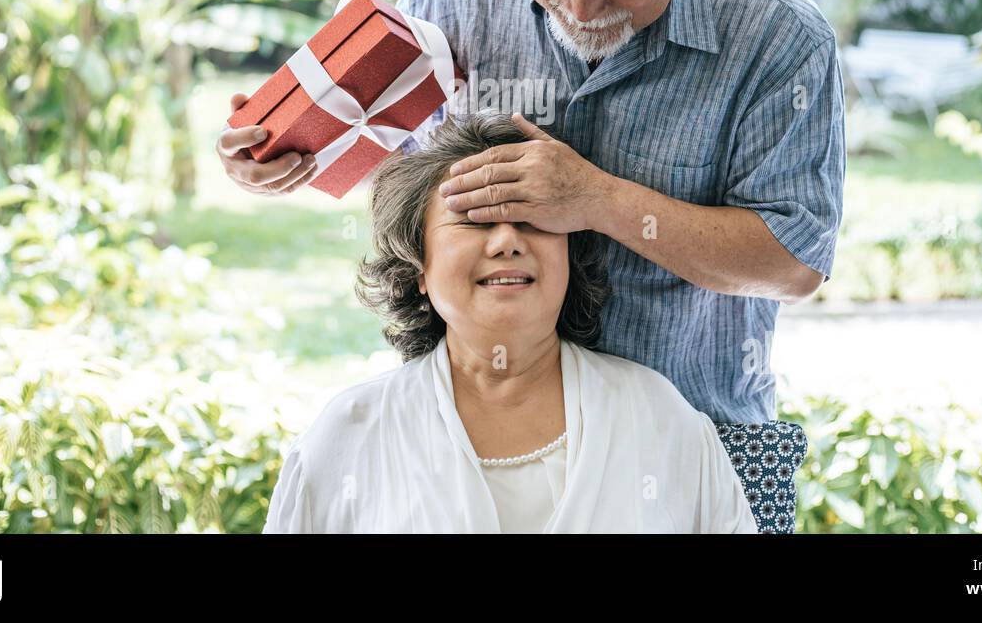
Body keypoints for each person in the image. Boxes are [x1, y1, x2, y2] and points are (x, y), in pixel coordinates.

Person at [221, 0, 844, 479]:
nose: (581, 6)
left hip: (696, 449)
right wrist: (279, 154)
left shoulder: (779, 37)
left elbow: (793, 264)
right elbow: (398, 175)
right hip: (471, 444)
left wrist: (599, 201)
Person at [261, 112, 757, 533]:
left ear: (569, 256)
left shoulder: (657, 416)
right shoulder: (349, 433)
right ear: (418, 271)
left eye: (531, 219)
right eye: (473, 220)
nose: (505, 243)